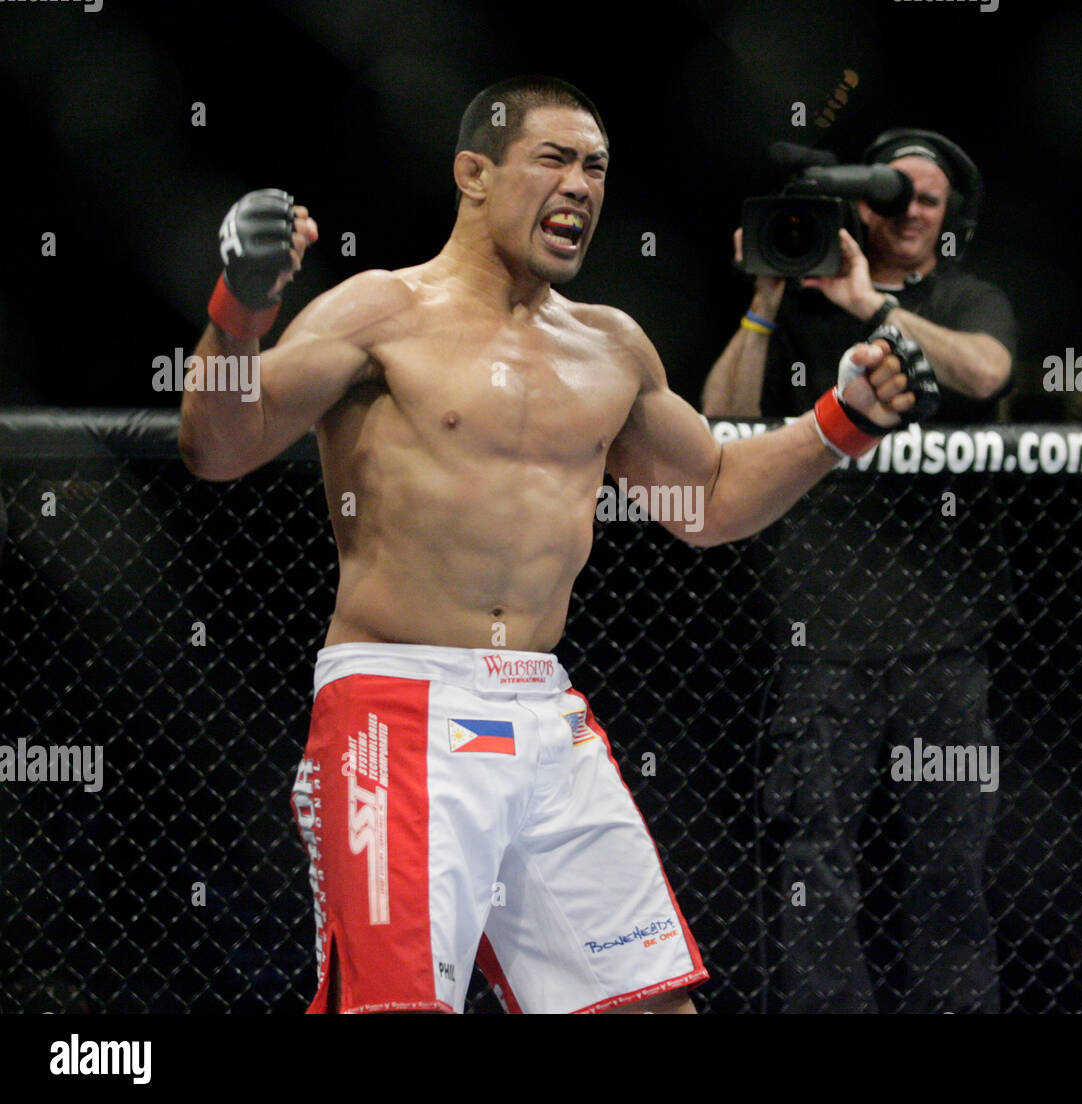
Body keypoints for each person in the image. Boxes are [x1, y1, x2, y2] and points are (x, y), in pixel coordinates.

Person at [178, 77, 927, 1015]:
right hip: (397, 708)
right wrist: (241, 312)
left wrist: (843, 418)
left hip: (541, 714)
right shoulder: (380, 311)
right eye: (556, 159)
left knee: (652, 1008)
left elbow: (711, 501)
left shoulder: (611, 347)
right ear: (474, 174)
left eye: (598, 168)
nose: (582, 185)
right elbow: (217, 448)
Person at [702, 129, 1016, 1012]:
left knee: (951, 874)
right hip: (822, 637)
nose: (909, 210)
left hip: (945, 642)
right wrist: (766, 298)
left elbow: (986, 372)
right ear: (862, 204)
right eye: (893, 193)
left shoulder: (966, 297)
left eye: (928, 198)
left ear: (950, 215)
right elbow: (718, 424)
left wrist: (869, 302)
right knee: (814, 876)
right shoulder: (798, 302)